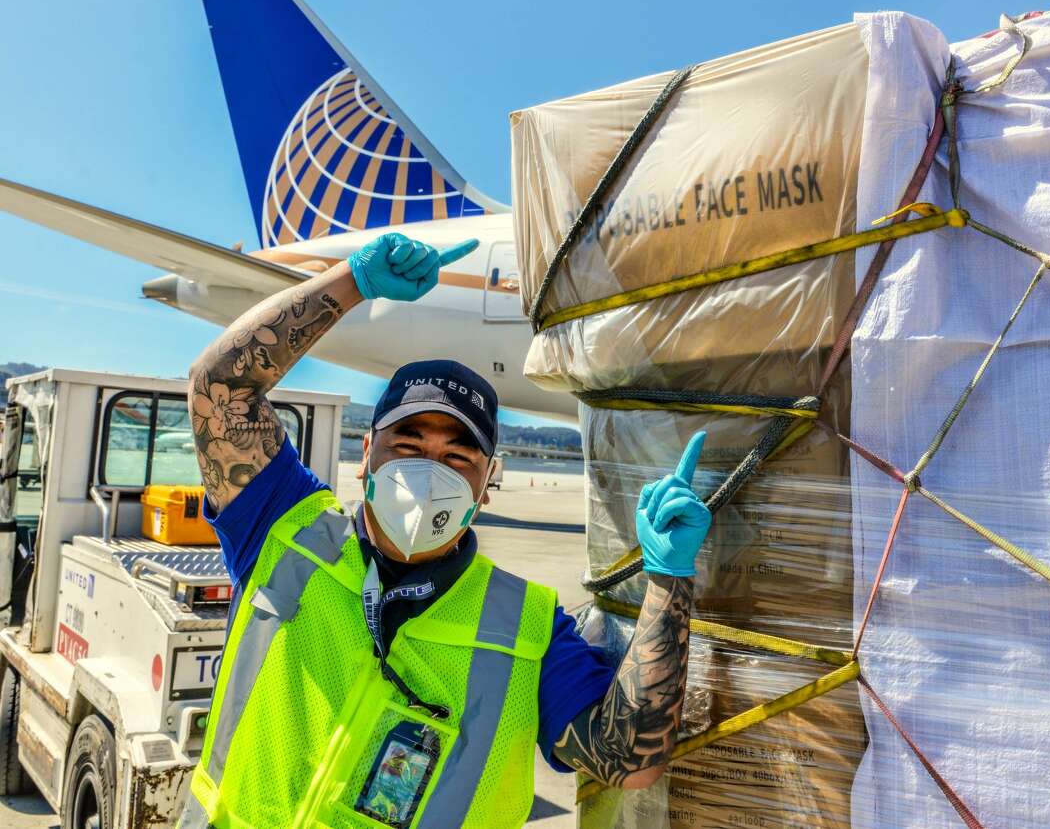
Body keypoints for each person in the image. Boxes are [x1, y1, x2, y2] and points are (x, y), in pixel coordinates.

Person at [176, 232, 714, 829]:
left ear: (486, 484)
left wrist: (669, 582)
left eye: (458, 458)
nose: (428, 471)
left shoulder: (528, 628)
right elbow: (220, 386)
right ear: (366, 455)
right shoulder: (285, 530)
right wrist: (351, 281)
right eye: (407, 444)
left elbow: (625, 758)